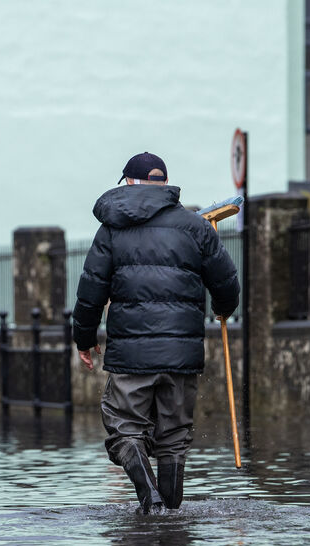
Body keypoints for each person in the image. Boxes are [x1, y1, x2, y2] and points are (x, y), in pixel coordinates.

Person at [72, 152, 240, 514]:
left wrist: (84, 338)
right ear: (164, 184)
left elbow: (91, 290)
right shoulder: (195, 227)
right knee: (174, 437)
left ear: (129, 183)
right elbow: (227, 284)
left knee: (124, 428)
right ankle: (171, 512)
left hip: (131, 356)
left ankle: (152, 502)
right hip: (182, 355)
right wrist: (223, 309)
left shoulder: (112, 230)